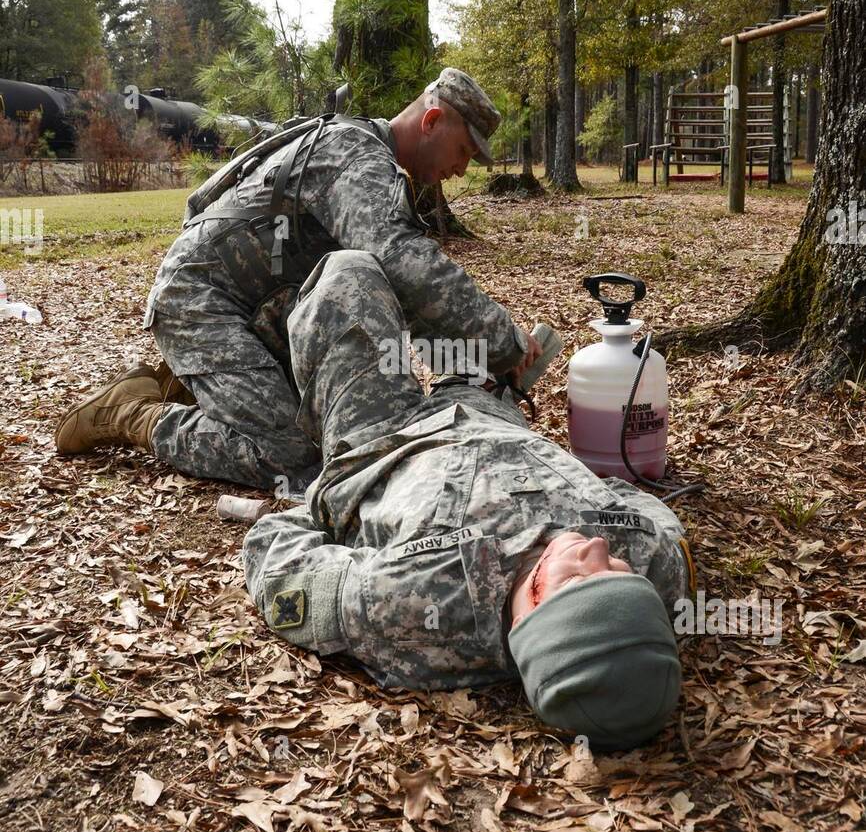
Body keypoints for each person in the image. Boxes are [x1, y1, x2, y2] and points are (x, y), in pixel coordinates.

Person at [242, 250, 693, 751]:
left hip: (381, 441)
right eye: (618, 568)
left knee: (348, 273)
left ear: (531, 614)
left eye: (581, 577)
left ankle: (260, 345)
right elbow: (654, 517)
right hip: (494, 424)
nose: (595, 549)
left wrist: (330, 506)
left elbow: (276, 558)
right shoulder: (659, 573)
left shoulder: (411, 606)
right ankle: (481, 385)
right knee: (471, 359)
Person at [55, 70, 542, 490]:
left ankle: (208, 385)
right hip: (202, 302)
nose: (460, 169)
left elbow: (398, 302)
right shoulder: (356, 155)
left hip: (260, 312)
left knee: (324, 425)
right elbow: (404, 264)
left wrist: (477, 356)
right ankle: (131, 415)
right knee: (288, 455)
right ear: (431, 122)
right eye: (462, 151)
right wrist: (502, 340)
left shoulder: (371, 162)